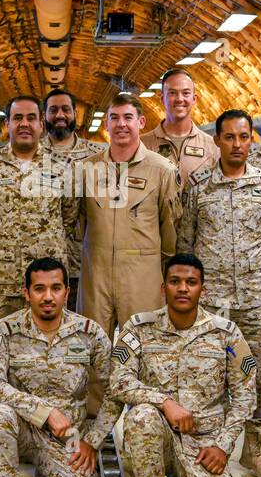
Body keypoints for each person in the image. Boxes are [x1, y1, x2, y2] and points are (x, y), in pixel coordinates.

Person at [109, 254, 256, 477]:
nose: (183, 289)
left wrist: (223, 446)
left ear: (203, 288)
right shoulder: (139, 328)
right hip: (157, 437)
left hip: (204, 443)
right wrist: (164, 402)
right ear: (164, 288)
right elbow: (119, 382)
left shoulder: (225, 334)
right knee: (141, 416)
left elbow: (245, 396)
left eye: (191, 282)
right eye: (175, 282)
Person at [177, 109, 261, 477]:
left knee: (255, 374)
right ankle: (196, 447)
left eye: (244, 137)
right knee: (202, 374)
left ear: (251, 140)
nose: (237, 145)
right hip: (210, 301)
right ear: (217, 141)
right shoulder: (200, 185)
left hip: (255, 299)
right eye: (229, 137)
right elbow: (186, 242)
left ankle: (256, 448)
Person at [0, 257, 117, 477]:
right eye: (39, 289)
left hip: (68, 436)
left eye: (55, 288)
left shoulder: (89, 333)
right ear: (26, 293)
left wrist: (93, 441)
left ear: (67, 292)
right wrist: (44, 412)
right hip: (21, 430)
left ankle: (47, 469)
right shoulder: (5, 331)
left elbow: (115, 389)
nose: (47, 297)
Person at [0, 95, 79, 334]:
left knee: (51, 341)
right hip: (1, 279)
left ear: (41, 124)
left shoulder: (62, 166)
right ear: (7, 125)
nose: (24, 124)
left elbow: (68, 216)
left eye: (31, 118)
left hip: (47, 280)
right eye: (17, 118)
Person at [80, 93, 180, 340]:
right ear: (106, 124)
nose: (121, 124)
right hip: (96, 276)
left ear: (141, 122)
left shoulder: (162, 170)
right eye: (114, 118)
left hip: (142, 277)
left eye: (128, 117)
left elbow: (170, 228)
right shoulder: (86, 170)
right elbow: (78, 222)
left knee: (144, 349)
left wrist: (163, 272)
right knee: (92, 352)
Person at [39, 89, 106, 305]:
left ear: (75, 113)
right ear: (44, 116)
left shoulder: (98, 156)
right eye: (53, 110)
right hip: (38, 263)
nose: (60, 115)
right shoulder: (29, 155)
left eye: (66, 109)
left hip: (85, 265)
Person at [141, 68, 220, 187]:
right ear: (162, 99)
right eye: (172, 93)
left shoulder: (212, 148)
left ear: (194, 99)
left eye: (186, 93)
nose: (179, 99)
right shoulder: (142, 145)